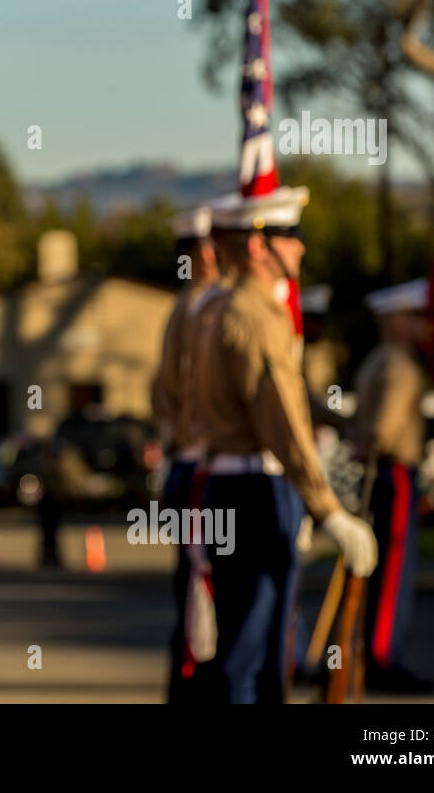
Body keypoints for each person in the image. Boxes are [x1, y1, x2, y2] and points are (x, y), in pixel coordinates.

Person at [195, 186, 378, 703]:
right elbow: (281, 421)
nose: (299, 248)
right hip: (254, 489)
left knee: (252, 645)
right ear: (258, 247)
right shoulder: (253, 316)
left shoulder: (226, 308)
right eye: (289, 235)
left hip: (237, 485)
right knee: (254, 652)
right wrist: (329, 510)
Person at [150, 203, 219, 702]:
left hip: (191, 461)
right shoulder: (197, 310)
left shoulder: (190, 307)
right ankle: (193, 691)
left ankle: (190, 689)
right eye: (208, 248)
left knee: (201, 592)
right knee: (201, 592)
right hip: (198, 464)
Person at [351, 279, 433, 693]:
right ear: (397, 320)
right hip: (395, 471)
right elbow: (384, 427)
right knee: (393, 572)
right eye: (416, 316)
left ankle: (376, 654)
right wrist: (372, 446)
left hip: (381, 471)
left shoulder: (378, 358)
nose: (423, 325)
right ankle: (382, 655)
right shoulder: (400, 364)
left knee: (383, 569)